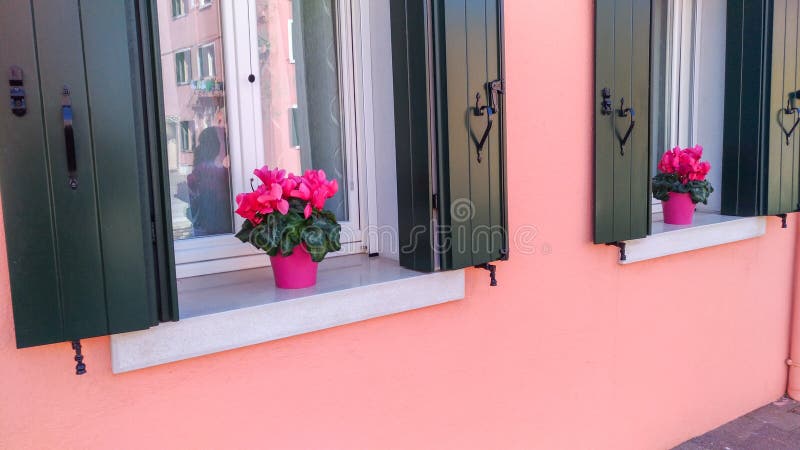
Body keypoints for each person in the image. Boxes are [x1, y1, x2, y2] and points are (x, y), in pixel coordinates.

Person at [187, 126, 233, 237]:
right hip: (220, 231)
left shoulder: (198, 171)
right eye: (225, 140)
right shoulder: (222, 174)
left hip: (204, 230)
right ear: (217, 146)